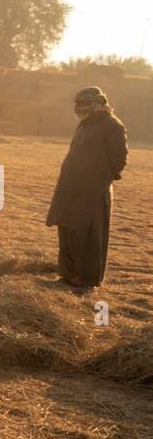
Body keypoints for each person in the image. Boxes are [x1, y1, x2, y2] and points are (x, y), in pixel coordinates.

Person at [45, 85, 128, 293]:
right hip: (70, 187)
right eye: (77, 104)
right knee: (67, 229)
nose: (79, 108)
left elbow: (119, 159)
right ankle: (67, 274)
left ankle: (85, 279)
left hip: (93, 190)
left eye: (85, 103)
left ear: (100, 104)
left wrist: (99, 179)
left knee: (89, 234)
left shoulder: (113, 126)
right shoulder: (84, 124)